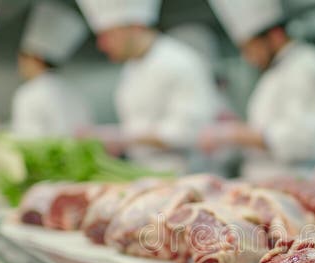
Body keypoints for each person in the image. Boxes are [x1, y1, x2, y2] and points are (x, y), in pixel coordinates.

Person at [201, 0, 315, 181]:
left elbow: (303, 141)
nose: (248, 58)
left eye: (250, 48)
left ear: (275, 35)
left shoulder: (305, 65)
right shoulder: (274, 71)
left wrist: (235, 133)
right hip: (265, 180)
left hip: (295, 181)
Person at [76, 0, 218, 174]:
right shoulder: (130, 69)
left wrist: (119, 137)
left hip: (184, 174)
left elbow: (189, 133)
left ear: (135, 27)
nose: (102, 45)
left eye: (108, 34)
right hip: (143, 173)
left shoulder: (180, 61)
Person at [11, 1, 92, 138]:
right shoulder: (73, 91)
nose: (20, 64)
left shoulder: (28, 93)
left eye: (23, 58)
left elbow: (26, 139)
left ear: (37, 58)